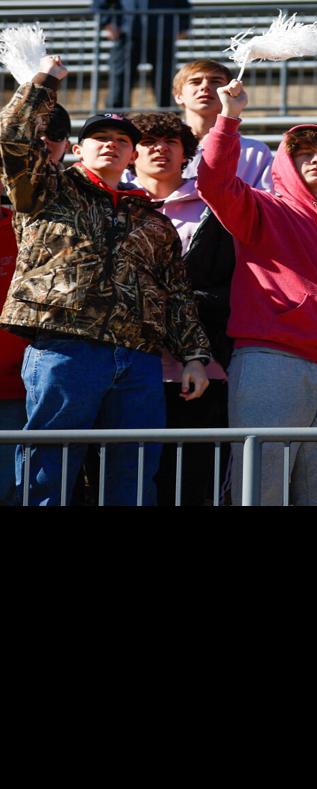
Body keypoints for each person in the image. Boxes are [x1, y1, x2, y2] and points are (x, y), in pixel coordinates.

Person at [2, 57, 210, 506]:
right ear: (79, 149)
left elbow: (176, 292)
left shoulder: (153, 219)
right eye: (100, 138)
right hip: (65, 347)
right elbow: (12, 139)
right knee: (48, 470)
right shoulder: (45, 190)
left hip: (139, 355)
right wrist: (43, 83)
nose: (112, 145)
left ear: (132, 155)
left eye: (122, 140)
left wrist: (194, 356)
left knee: (133, 474)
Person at [197, 79, 317, 506]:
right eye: (304, 153)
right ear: (285, 162)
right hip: (272, 362)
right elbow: (213, 183)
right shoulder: (261, 207)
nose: (316, 159)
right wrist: (228, 117)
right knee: (259, 491)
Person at [130, 111, 232, 505]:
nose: (160, 149)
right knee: (131, 481)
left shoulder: (213, 205)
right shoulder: (109, 203)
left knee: (194, 484)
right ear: (132, 152)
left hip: (202, 366)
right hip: (128, 366)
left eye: (171, 142)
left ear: (186, 152)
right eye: (149, 142)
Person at [0, 103, 69, 506]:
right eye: (32, 139)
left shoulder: (60, 212)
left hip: (28, 384)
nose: (41, 147)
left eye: (52, 138)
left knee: (20, 490)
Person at [162, 59, 275, 191]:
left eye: (215, 81)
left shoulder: (255, 152)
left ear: (230, 91)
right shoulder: (159, 147)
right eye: (195, 82)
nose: (205, 87)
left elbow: (264, 198)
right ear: (178, 95)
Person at [94, 0, 190, 110]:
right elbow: (100, 4)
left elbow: (184, 6)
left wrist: (182, 27)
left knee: (165, 79)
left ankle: (169, 116)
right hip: (127, 35)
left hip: (163, 35)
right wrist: (108, 24)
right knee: (120, 79)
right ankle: (115, 117)